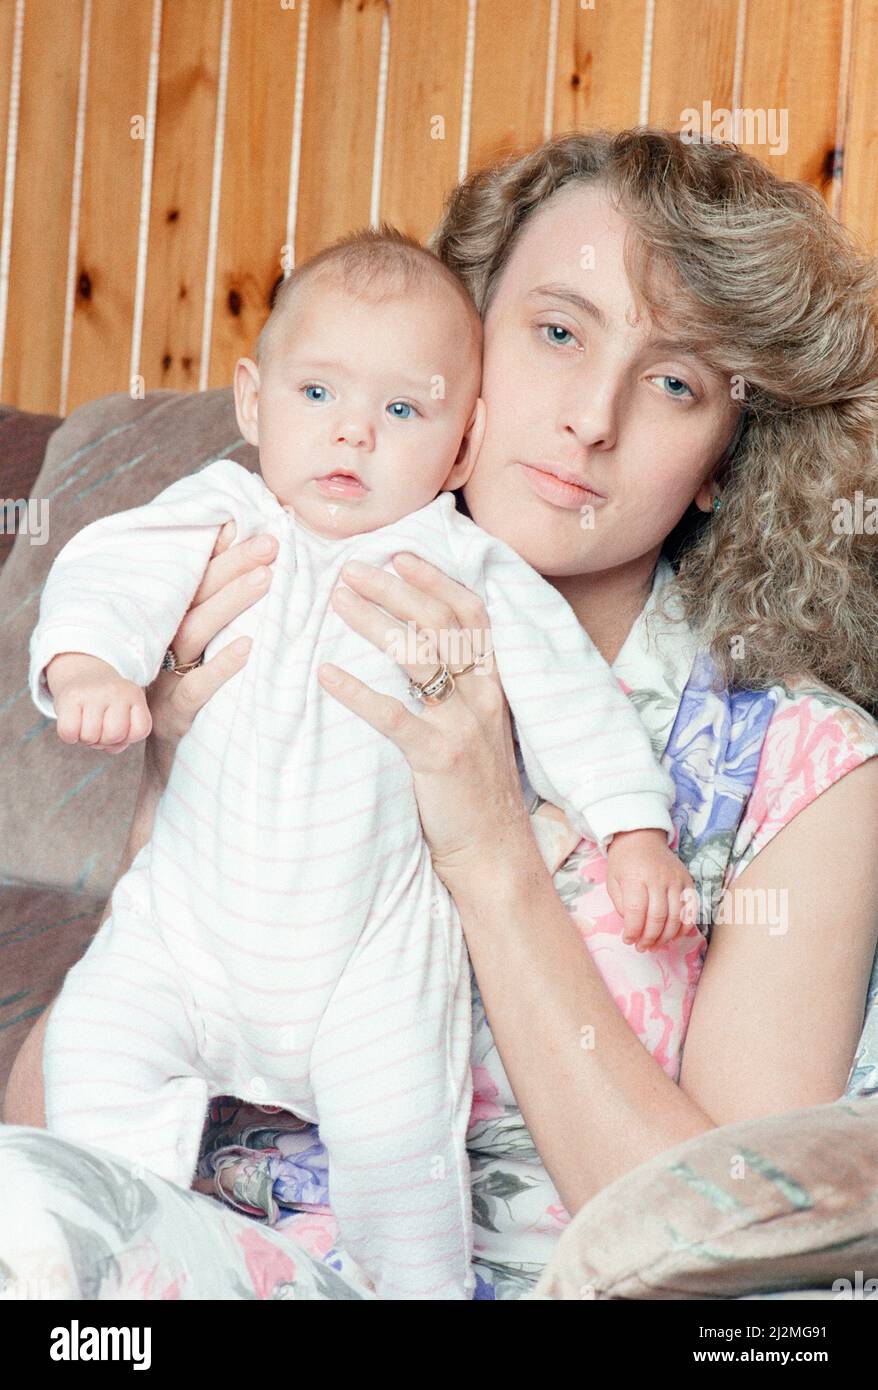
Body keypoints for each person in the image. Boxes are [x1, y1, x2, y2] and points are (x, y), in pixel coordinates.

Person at [2, 126, 878, 1302]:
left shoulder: (805, 765)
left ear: (722, 456)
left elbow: (735, 1266)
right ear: (460, 349)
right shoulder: (262, 588)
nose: (590, 419)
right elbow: (44, 1134)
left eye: (673, 382)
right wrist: (174, 780)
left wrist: (489, 850)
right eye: (556, 333)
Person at [25, 228, 692, 1302]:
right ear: (252, 403)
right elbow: (110, 566)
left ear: (460, 448)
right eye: (317, 393)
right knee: (95, 1058)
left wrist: (631, 825)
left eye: (400, 412)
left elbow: (567, 687)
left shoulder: (456, 560)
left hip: (367, 954)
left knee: (400, 1141)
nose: (350, 434)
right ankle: (119, 1261)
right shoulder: (225, 511)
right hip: (186, 935)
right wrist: (90, 663)